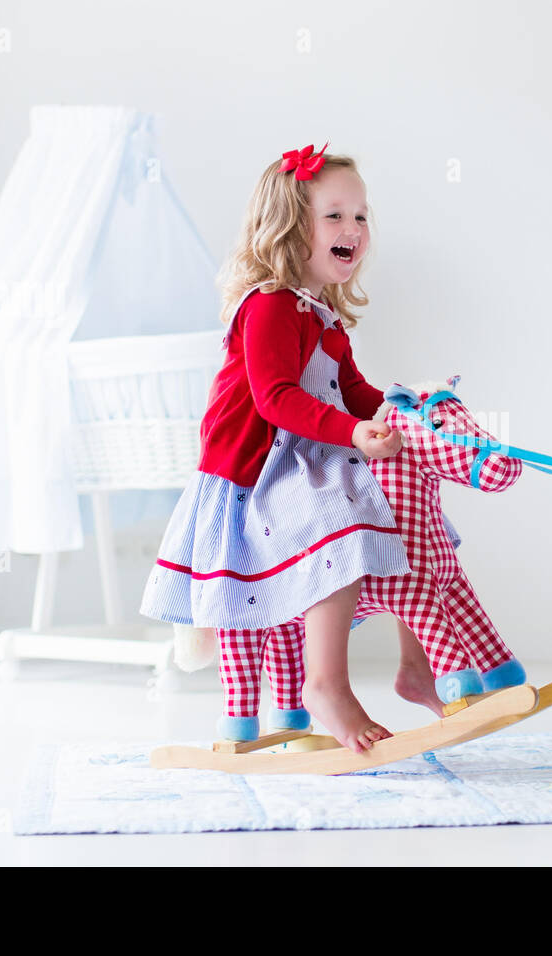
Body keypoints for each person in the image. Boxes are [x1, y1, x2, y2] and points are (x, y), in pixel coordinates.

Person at [140, 144, 410, 754]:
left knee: (394, 513)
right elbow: (278, 399)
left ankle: (331, 702)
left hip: (293, 467)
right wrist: (352, 434)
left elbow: (353, 391)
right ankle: (316, 691)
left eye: (362, 216)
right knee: (333, 526)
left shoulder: (323, 316)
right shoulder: (268, 306)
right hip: (248, 477)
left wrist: (404, 413)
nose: (354, 230)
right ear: (291, 227)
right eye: (335, 216)